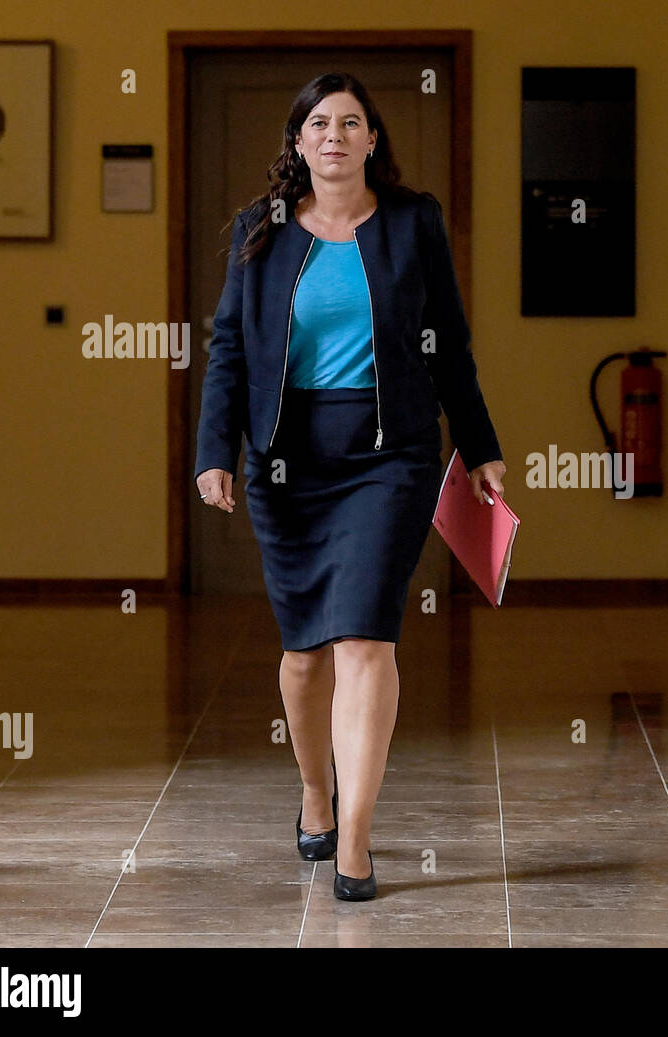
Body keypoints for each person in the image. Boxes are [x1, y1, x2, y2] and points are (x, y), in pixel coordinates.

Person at [193, 71, 507, 901]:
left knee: (365, 640)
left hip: (388, 457)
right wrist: (212, 451)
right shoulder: (256, 231)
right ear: (298, 143)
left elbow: (449, 345)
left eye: (351, 123)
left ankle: (357, 838)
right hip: (285, 464)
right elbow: (229, 347)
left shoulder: (413, 223)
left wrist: (478, 447)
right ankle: (314, 789)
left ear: (372, 141)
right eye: (318, 123)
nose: (334, 135)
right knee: (303, 657)